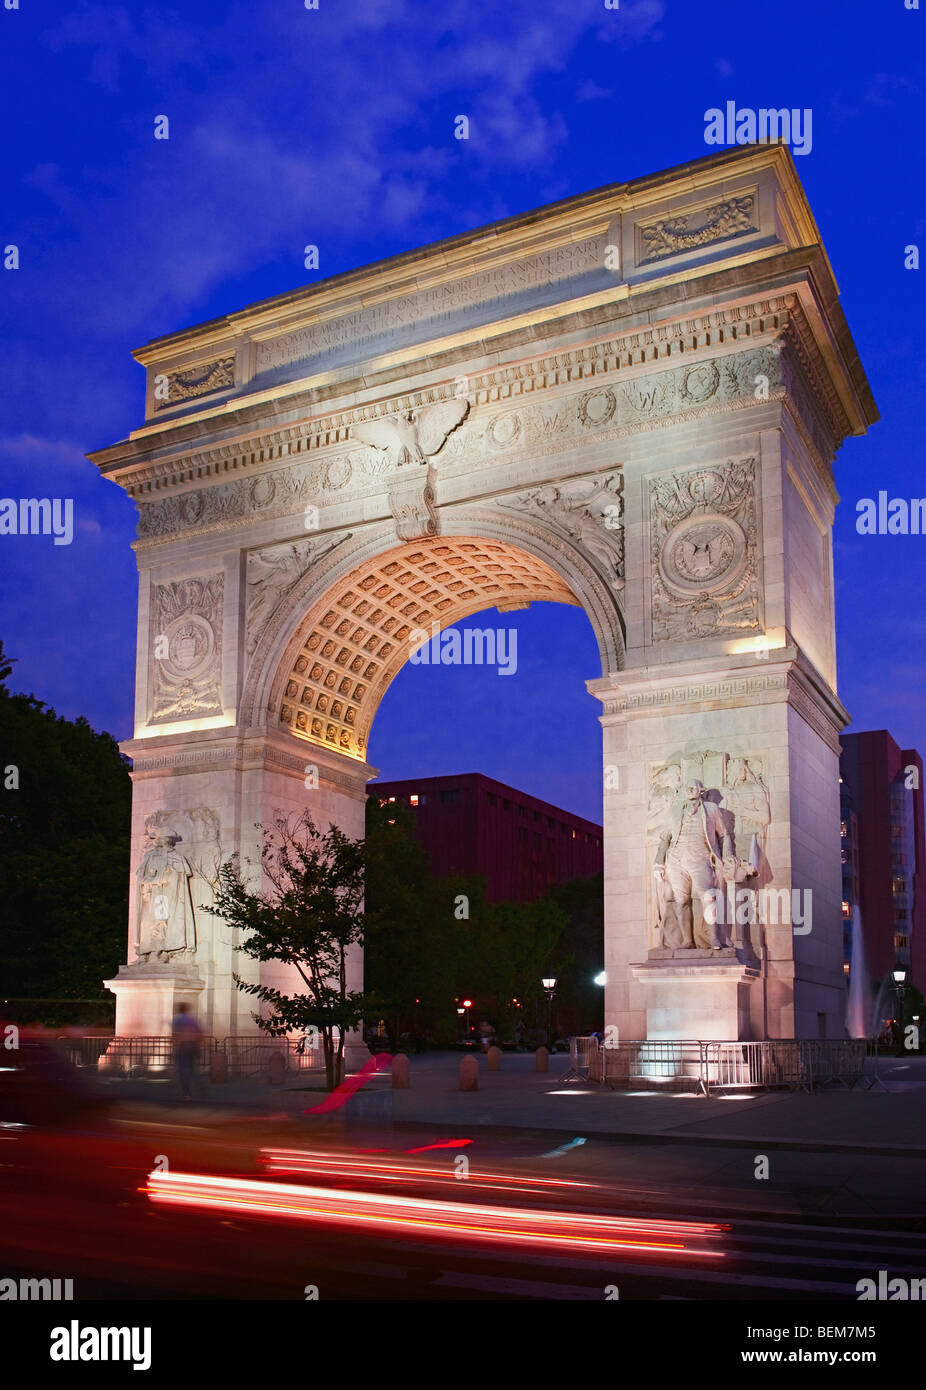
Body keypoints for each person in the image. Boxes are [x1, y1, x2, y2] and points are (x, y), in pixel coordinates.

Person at [172, 1002, 202, 1101]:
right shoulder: (193, 1019)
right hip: (193, 1046)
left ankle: (186, 1094)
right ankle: (199, 1087)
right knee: (192, 1069)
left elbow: (175, 1035)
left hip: (183, 1047)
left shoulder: (178, 1020)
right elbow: (199, 1033)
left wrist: (176, 1045)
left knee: (183, 1071)